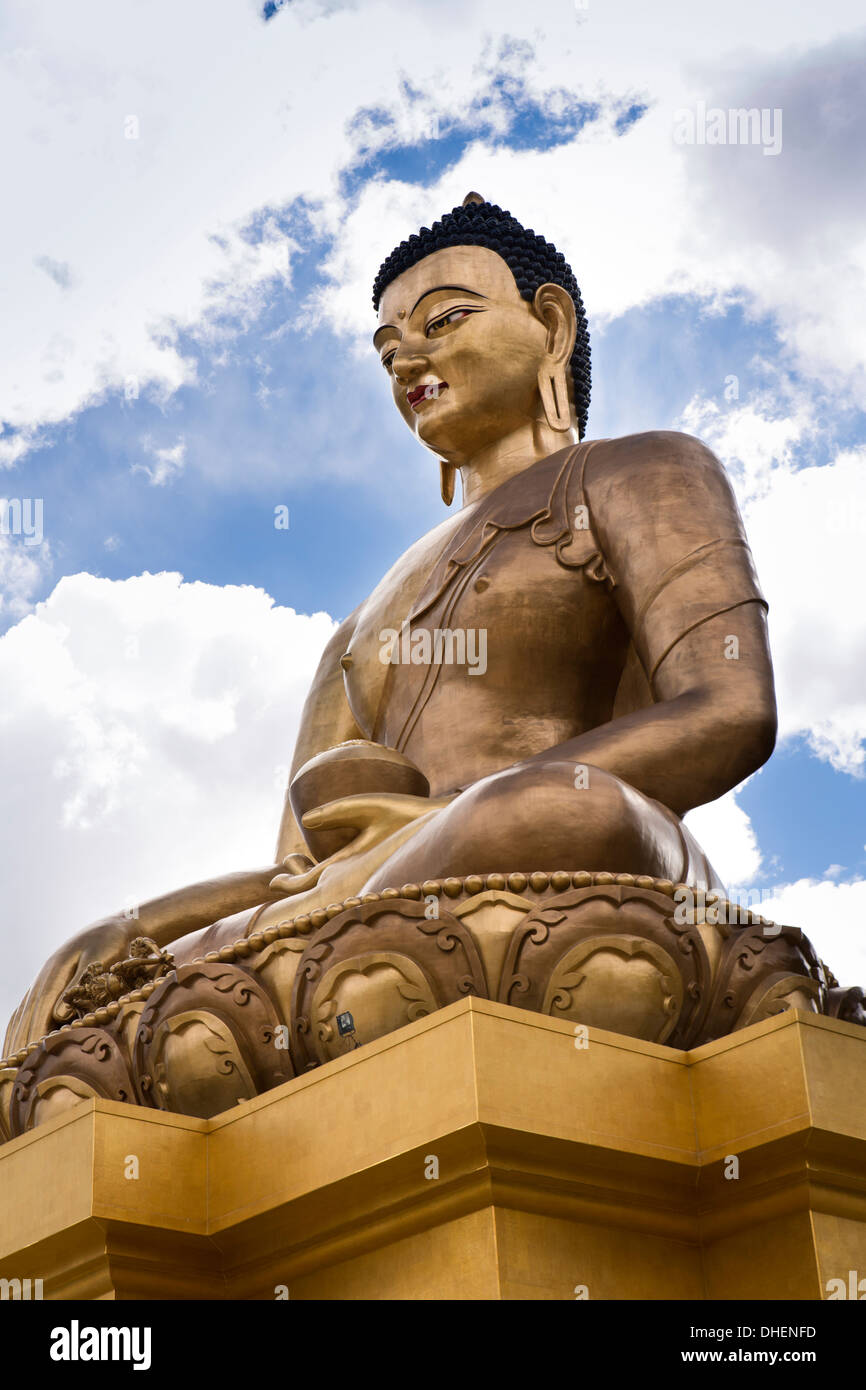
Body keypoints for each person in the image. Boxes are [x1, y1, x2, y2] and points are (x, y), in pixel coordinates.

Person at [3, 196, 776, 1056]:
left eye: (444, 319)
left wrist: (448, 818)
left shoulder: (641, 471)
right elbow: (301, 873)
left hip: (566, 859)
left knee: (549, 809)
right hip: (369, 903)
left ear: (551, 325)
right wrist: (136, 925)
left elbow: (729, 709)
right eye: (387, 351)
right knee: (103, 981)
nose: (410, 355)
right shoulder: (355, 628)